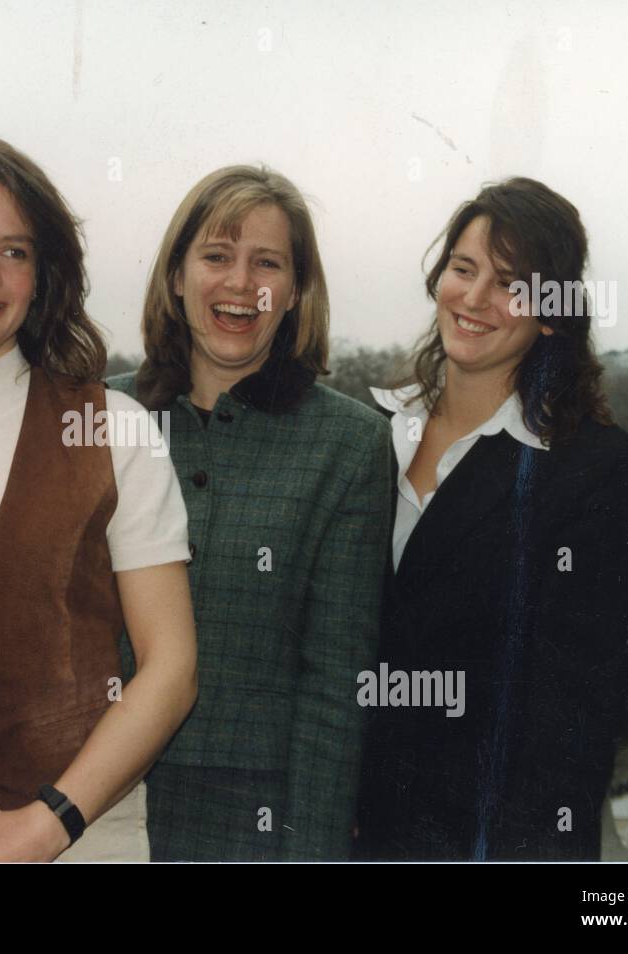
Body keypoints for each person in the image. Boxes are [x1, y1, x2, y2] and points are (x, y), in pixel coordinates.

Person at [0, 134, 197, 862]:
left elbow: (172, 668)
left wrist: (45, 826)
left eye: (14, 251)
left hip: (80, 833)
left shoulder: (114, 428)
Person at [354, 177, 628, 861]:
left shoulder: (595, 470)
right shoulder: (369, 433)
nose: (475, 298)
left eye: (511, 283)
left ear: (552, 313)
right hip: (348, 832)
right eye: (464, 269)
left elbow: (576, 714)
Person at [108, 165, 393, 861]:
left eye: (267, 262)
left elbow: (336, 685)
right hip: (93, 799)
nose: (241, 283)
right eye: (216, 256)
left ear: (295, 291)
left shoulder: (349, 445)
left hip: (252, 822)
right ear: (177, 275)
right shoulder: (100, 416)